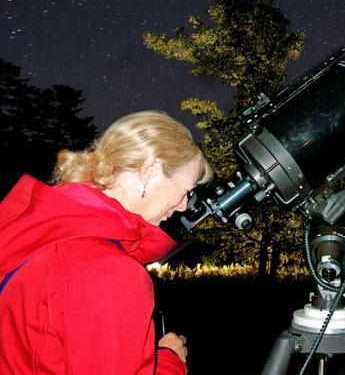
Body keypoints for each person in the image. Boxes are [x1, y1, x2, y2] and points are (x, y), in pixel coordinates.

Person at [0, 110, 212, 374]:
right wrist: (169, 362)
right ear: (151, 171)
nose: (183, 206)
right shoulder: (108, 270)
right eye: (186, 190)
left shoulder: (43, 229)